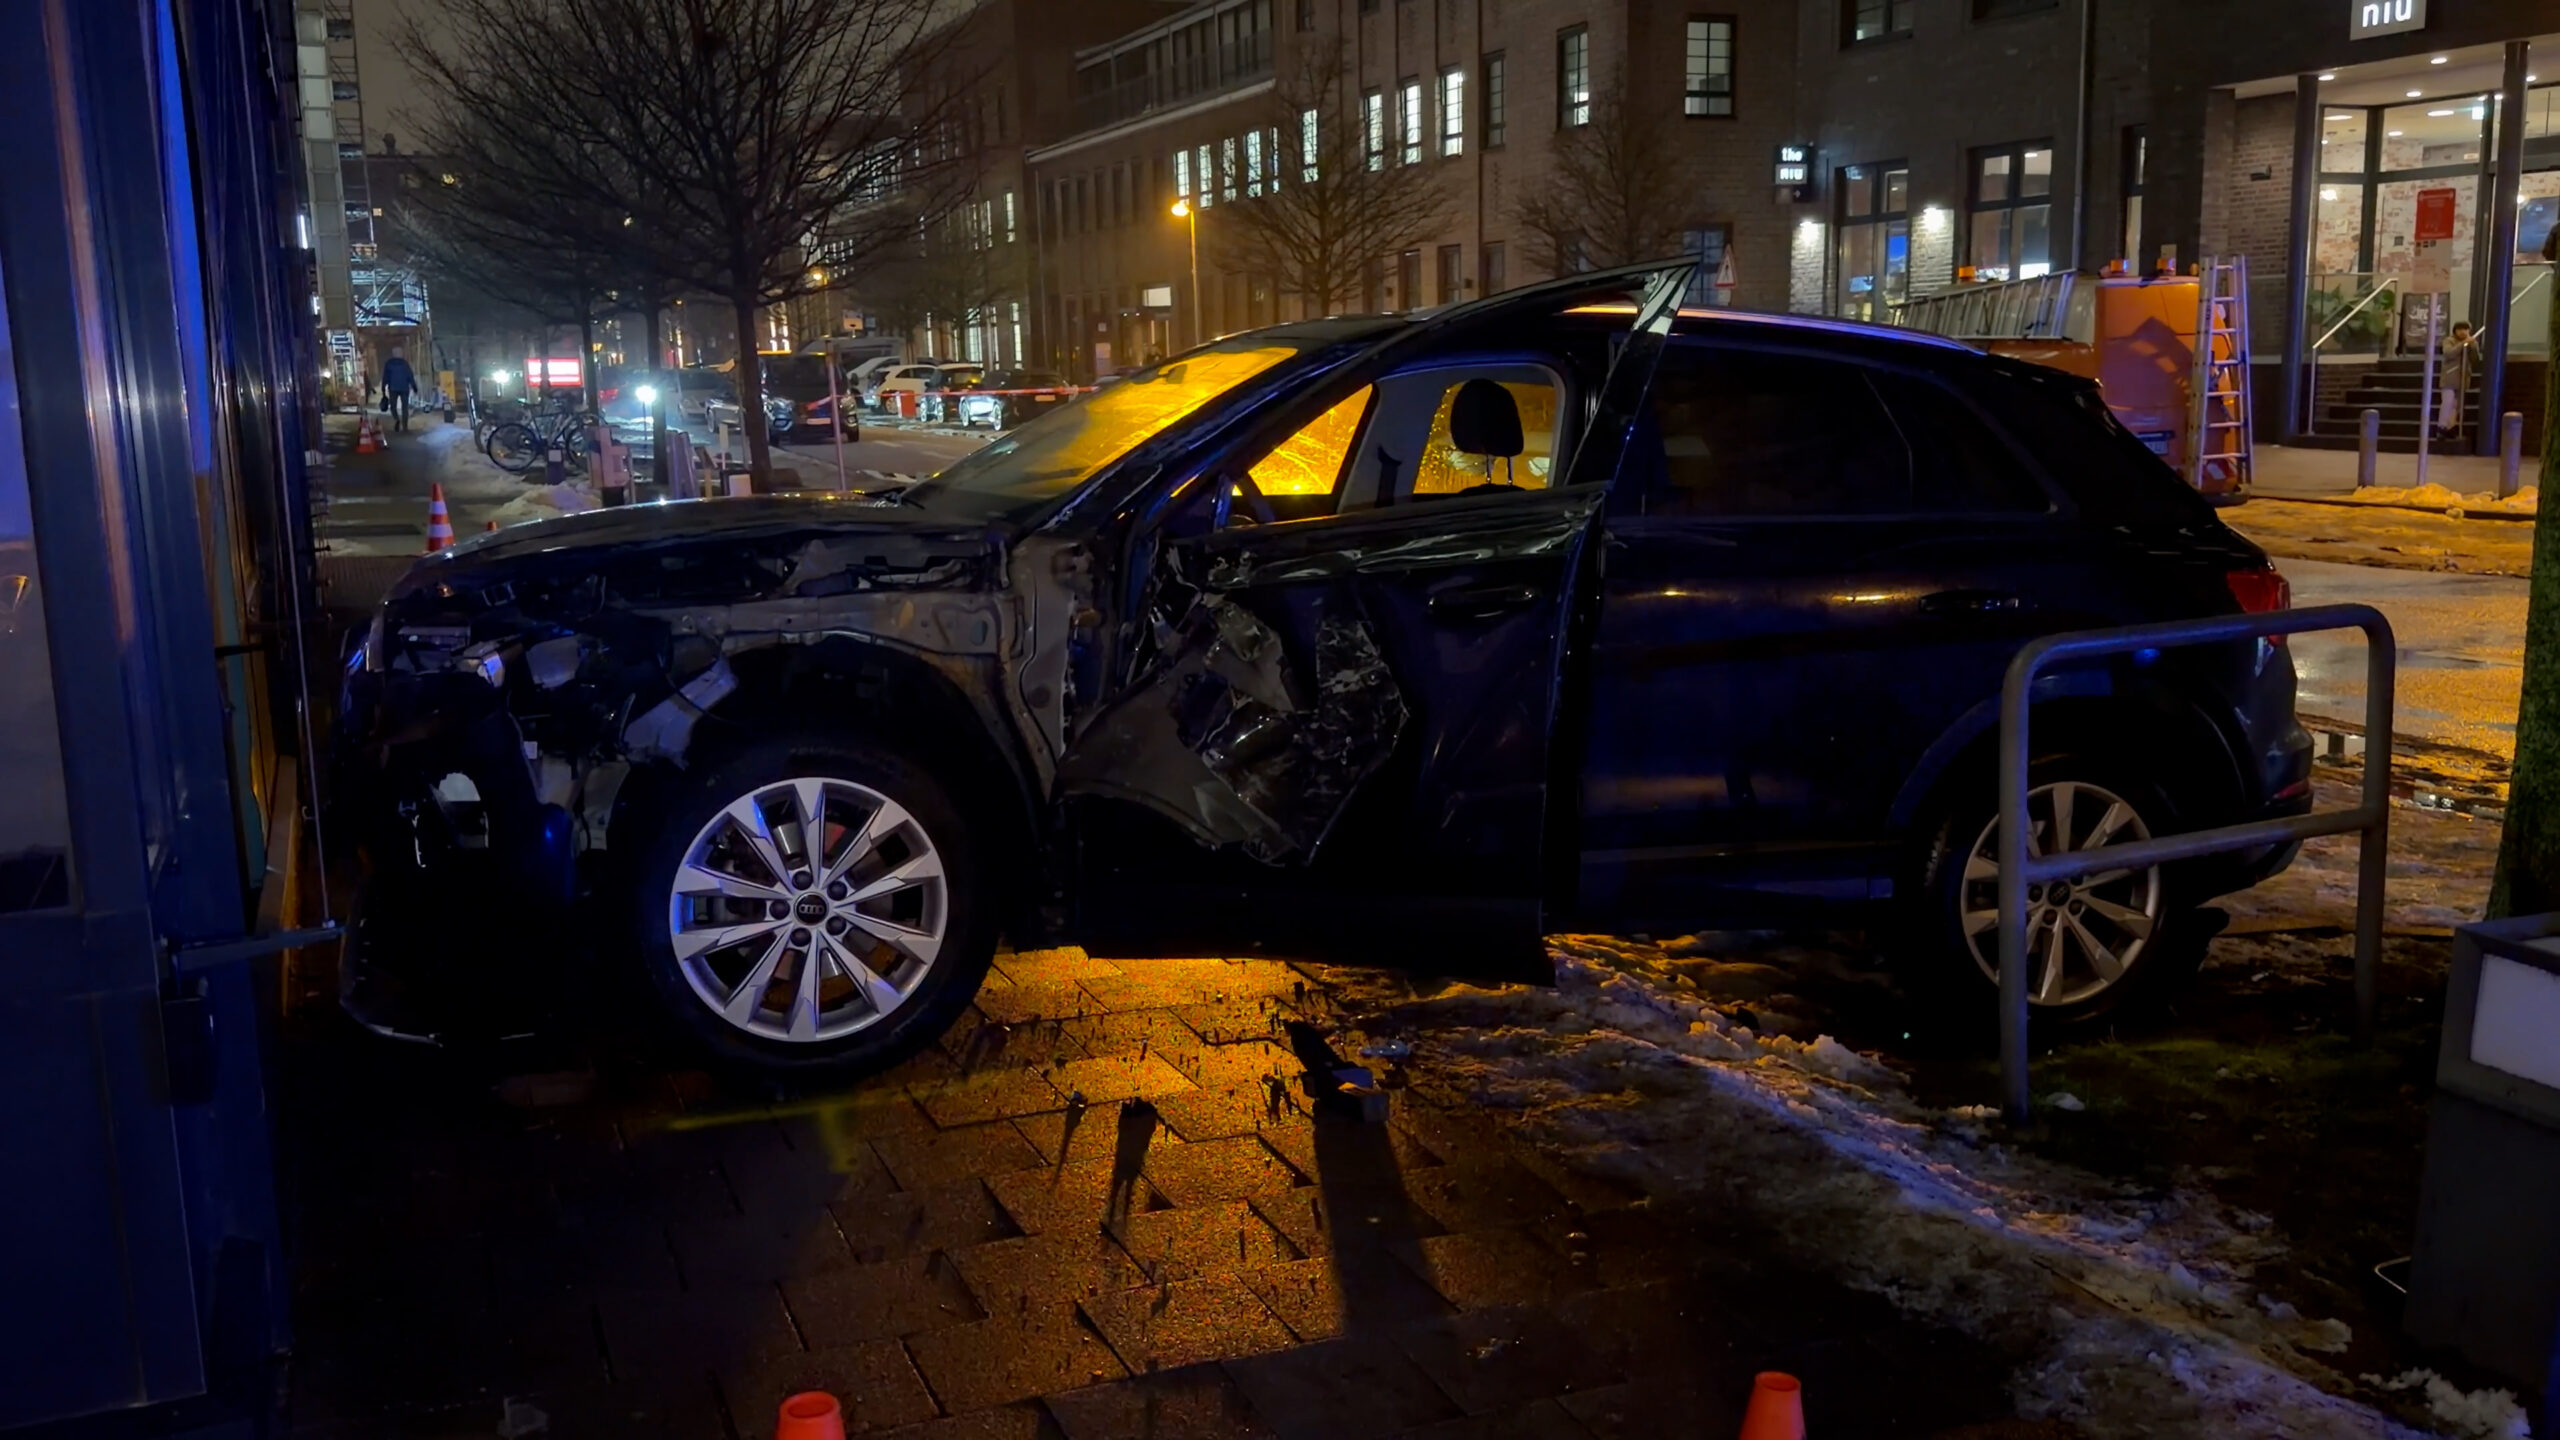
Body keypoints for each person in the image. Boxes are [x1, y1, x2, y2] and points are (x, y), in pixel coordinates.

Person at [2436, 320, 2478, 441]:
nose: (2462, 332)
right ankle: (2441, 427)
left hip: (2463, 378)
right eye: (2460, 329)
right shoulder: (2449, 341)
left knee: (2456, 406)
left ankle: (2451, 427)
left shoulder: (2471, 342)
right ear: (2455, 330)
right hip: (2449, 378)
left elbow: (2475, 358)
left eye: (2465, 329)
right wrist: (2463, 343)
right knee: (2447, 402)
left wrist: (2473, 345)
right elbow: (2449, 354)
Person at [381, 347, 418, 433]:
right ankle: (405, 426)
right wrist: (414, 387)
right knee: (404, 407)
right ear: (401, 354)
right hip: (404, 388)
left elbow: (385, 376)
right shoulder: (405, 364)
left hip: (393, 388)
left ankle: (396, 419)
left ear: (393, 354)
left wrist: (383, 387)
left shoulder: (389, 363)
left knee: (393, 406)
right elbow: (410, 376)